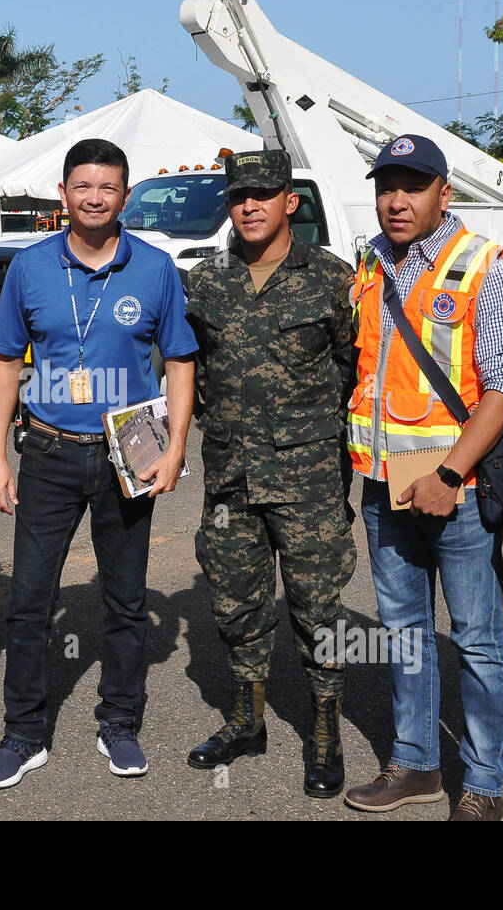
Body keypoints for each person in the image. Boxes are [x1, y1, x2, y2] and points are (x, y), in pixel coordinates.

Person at [0, 138, 197, 788]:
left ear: (124, 197)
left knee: (126, 599)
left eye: (107, 187)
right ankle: (23, 733)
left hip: (129, 452)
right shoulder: (31, 266)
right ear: (64, 193)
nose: (94, 197)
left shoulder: (155, 268)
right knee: (27, 599)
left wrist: (178, 444)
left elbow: (181, 359)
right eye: (82, 186)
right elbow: (7, 361)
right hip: (46, 449)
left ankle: (120, 724)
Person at [341, 135, 503, 821]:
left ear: (444, 193)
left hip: (459, 488)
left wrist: (449, 472)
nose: (396, 199)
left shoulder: (482, 266)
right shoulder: (369, 263)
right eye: (387, 184)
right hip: (388, 483)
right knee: (405, 632)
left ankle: (483, 782)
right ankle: (415, 763)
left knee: (476, 638)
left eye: (413, 185)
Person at [182, 150, 356, 798]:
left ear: (290, 201)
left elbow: (353, 368)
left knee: (319, 606)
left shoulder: (334, 280)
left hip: (308, 478)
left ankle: (323, 727)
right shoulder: (206, 283)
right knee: (235, 601)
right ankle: (247, 718)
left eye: (264, 193)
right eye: (238, 195)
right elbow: (183, 371)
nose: (249, 205)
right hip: (230, 477)